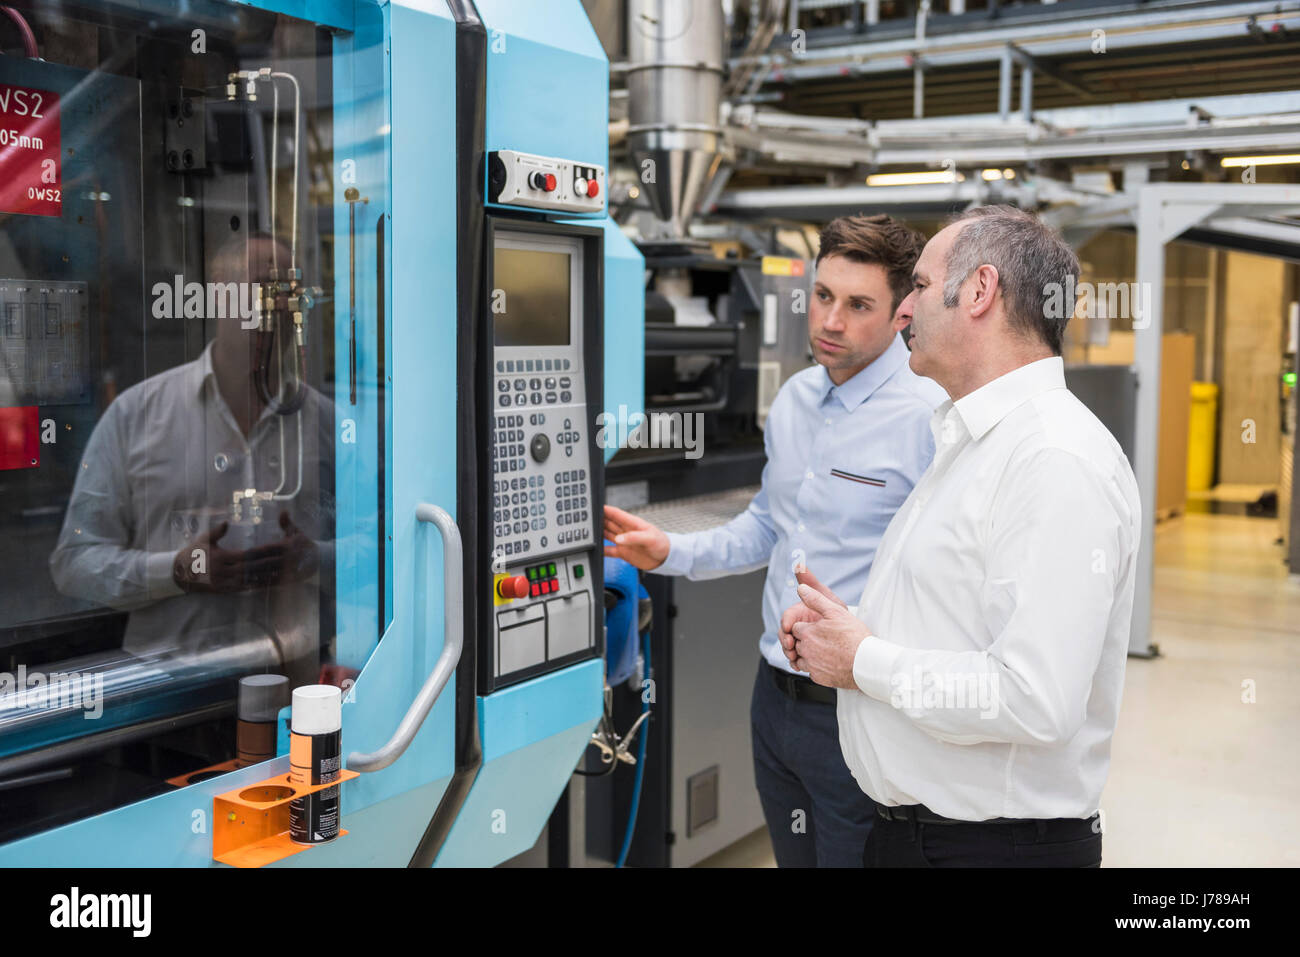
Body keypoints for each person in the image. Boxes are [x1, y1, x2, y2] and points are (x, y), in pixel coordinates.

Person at [779, 205, 1141, 867]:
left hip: (987, 848)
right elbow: (960, 620)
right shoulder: (973, 440)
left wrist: (862, 661)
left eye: (916, 286)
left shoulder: (1053, 459)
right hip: (922, 837)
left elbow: (1035, 697)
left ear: (979, 291)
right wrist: (847, 629)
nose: (903, 311)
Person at [603, 214, 946, 867]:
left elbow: (948, 576)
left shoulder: (927, 416)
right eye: (823, 296)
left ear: (903, 311)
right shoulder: (793, 399)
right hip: (775, 702)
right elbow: (770, 523)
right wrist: (671, 551)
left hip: (863, 711)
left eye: (858, 305)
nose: (830, 321)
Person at [48, 236, 334, 688]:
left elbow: (381, 549)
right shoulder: (138, 415)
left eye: (291, 293)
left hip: (294, 693)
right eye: (262, 289)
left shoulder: (326, 424)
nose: (279, 307)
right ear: (216, 297)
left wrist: (315, 559)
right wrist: (177, 571)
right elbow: (74, 563)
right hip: (166, 702)